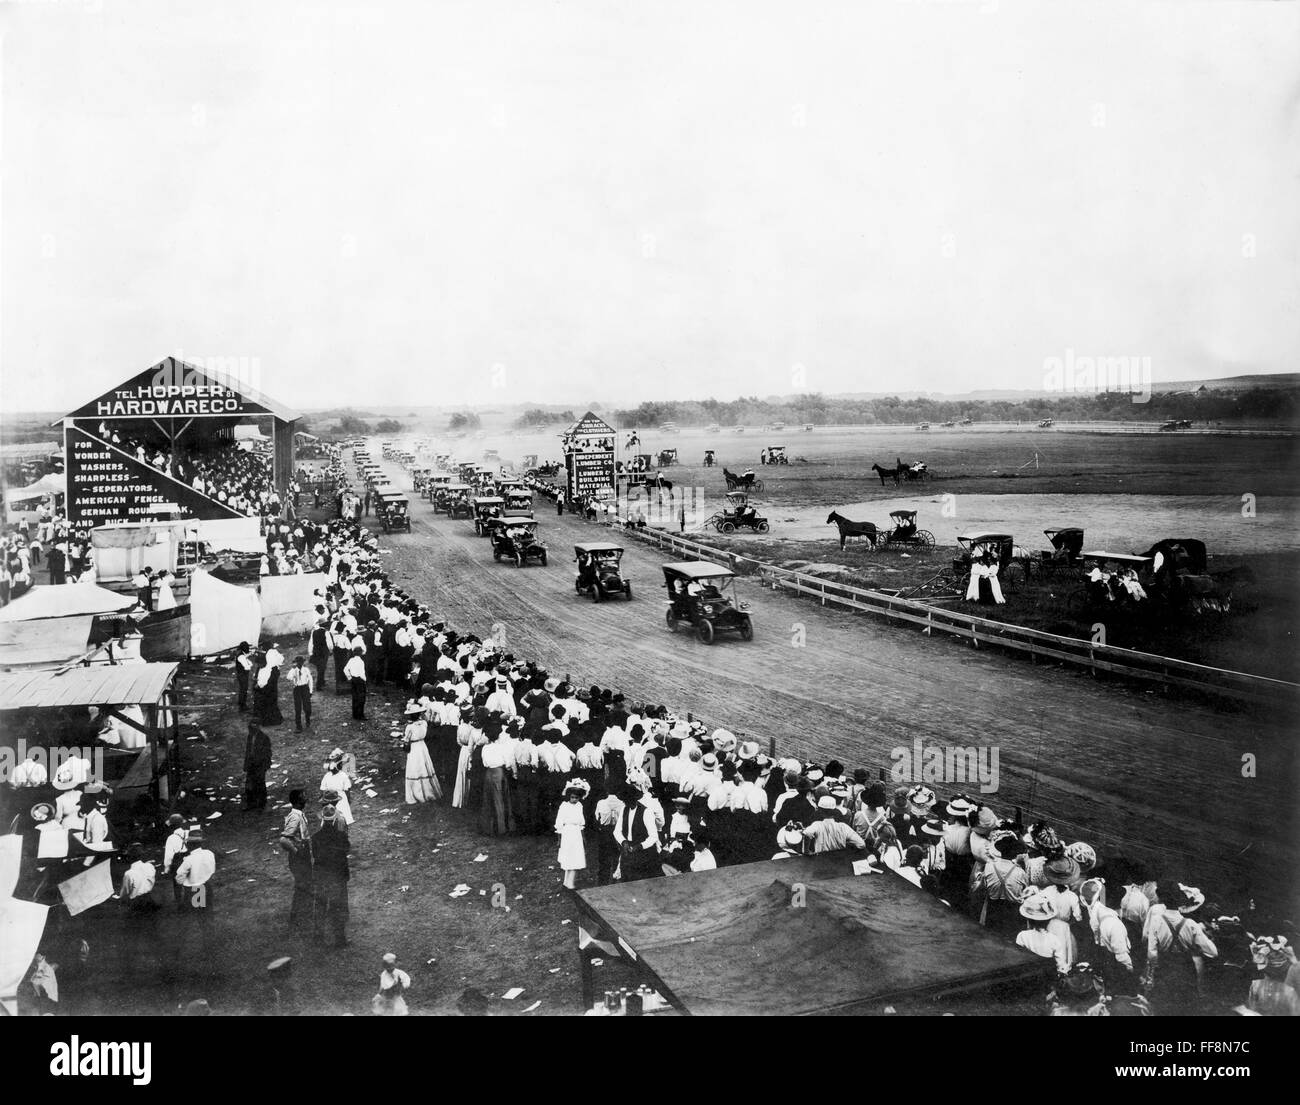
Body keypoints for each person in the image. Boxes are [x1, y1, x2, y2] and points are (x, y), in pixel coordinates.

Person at [311, 805, 350, 948]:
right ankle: (340, 940)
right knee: (337, 907)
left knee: (320, 906)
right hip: (337, 876)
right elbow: (346, 850)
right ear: (334, 820)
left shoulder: (315, 837)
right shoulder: (341, 836)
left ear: (323, 819)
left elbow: (316, 855)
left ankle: (318, 938)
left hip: (322, 876)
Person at [278, 790, 315, 934]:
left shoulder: (298, 814)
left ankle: (300, 916)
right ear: (298, 801)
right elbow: (284, 839)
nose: (306, 799)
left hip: (302, 854)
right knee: (302, 886)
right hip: (299, 856)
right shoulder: (295, 817)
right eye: (303, 797)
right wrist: (296, 851)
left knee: (305, 884)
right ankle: (297, 918)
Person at [402, 703, 441, 804]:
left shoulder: (409, 727)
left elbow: (406, 740)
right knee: (424, 766)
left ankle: (417, 793)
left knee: (415, 768)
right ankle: (428, 791)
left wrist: (405, 744)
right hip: (422, 746)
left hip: (414, 748)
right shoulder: (424, 723)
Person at [556, 779, 589, 889]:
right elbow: (559, 823)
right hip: (567, 833)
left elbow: (581, 823)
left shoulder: (579, 806)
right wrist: (559, 839)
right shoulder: (564, 806)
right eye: (572, 797)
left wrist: (583, 837)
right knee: (569, 857)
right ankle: (568, 882)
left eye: (577, 798)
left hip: (576, 833)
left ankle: (569, 882)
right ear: (569, 796)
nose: (574, 800)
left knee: (576, 856)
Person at [243, 722, 272, 811]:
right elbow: (248, 751)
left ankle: (261, 804)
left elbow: (267, 753)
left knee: (260, 784)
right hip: (251, 763)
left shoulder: (264, 738)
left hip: (260, 764)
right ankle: (251, 803)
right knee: (249, 784)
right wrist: (246, 763)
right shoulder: (250, 737)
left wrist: (265, 765)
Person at [287, 656, 313, 730]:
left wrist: (310, 691)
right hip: (297, 689)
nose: (299, 664)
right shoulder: (294, 670)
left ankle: (307, 719)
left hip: (305, 688)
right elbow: (289, 677)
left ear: (303, 662)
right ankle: (298, 726)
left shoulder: (306, 670)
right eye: (298, 662)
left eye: (301, 662)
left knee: (307, 706)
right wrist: (293, 669)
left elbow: (310, 680)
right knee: (297, 708)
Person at [344, 644, 367, 720]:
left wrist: (349, 677)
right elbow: (362, 673)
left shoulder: (351, 660)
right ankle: (360, 715)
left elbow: (345, 669)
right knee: (361, 698)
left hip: (353, 680)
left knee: (355, 697)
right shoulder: (361, 662)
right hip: (360, 680)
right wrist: (365, 680)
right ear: (361, 653)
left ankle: (355, 714)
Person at [234, 642, 253, 713]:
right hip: (243, 674)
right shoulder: (241, 656)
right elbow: (247, 667)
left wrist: (248, 662)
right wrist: (249, 665)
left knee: (243, 689)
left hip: (241, 674)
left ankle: (241, 704)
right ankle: (242, 706)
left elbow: (247, 661)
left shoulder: (240, 654)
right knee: (243, 689)